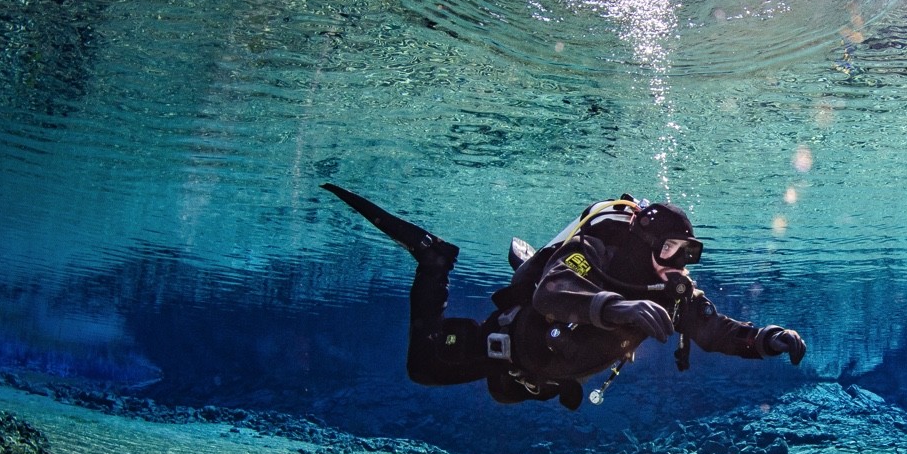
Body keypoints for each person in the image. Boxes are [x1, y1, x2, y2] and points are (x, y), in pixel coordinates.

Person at [322, 185, 806, 410]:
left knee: (508, 394)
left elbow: (712, 329)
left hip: (545, 370)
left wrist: (766, 339)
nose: (676, 263)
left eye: (686, 254)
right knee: (422, 368)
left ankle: (537, 384)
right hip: (514, 341)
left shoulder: (671, 288)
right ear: (642, 240)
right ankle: (434, 261)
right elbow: (554, 292)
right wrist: (617, 307)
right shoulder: (592, 247)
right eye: (669, 248)